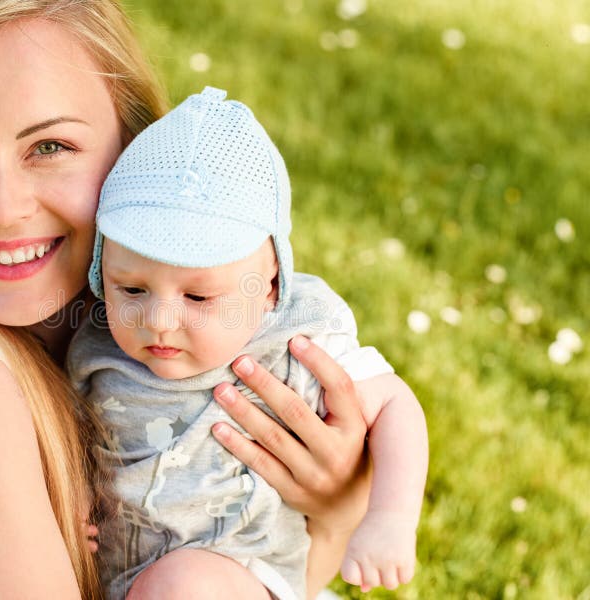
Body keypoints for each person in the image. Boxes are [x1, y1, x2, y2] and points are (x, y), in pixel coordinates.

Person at [0, 1, 382, 599]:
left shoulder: (134, 346)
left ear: (137, 151)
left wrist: (332, 516)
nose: (1, 208)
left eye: (49, 146)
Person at [68, 87, 428, 599]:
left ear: (271, 286)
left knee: (183, 587)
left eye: (198, 296)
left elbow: (395, 404)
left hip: (239, 574)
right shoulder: (97, 346)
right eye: (131, 289)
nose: (159, 321)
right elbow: (65, 434)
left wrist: (390, 517)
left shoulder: (292, 343)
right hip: (116, 571)